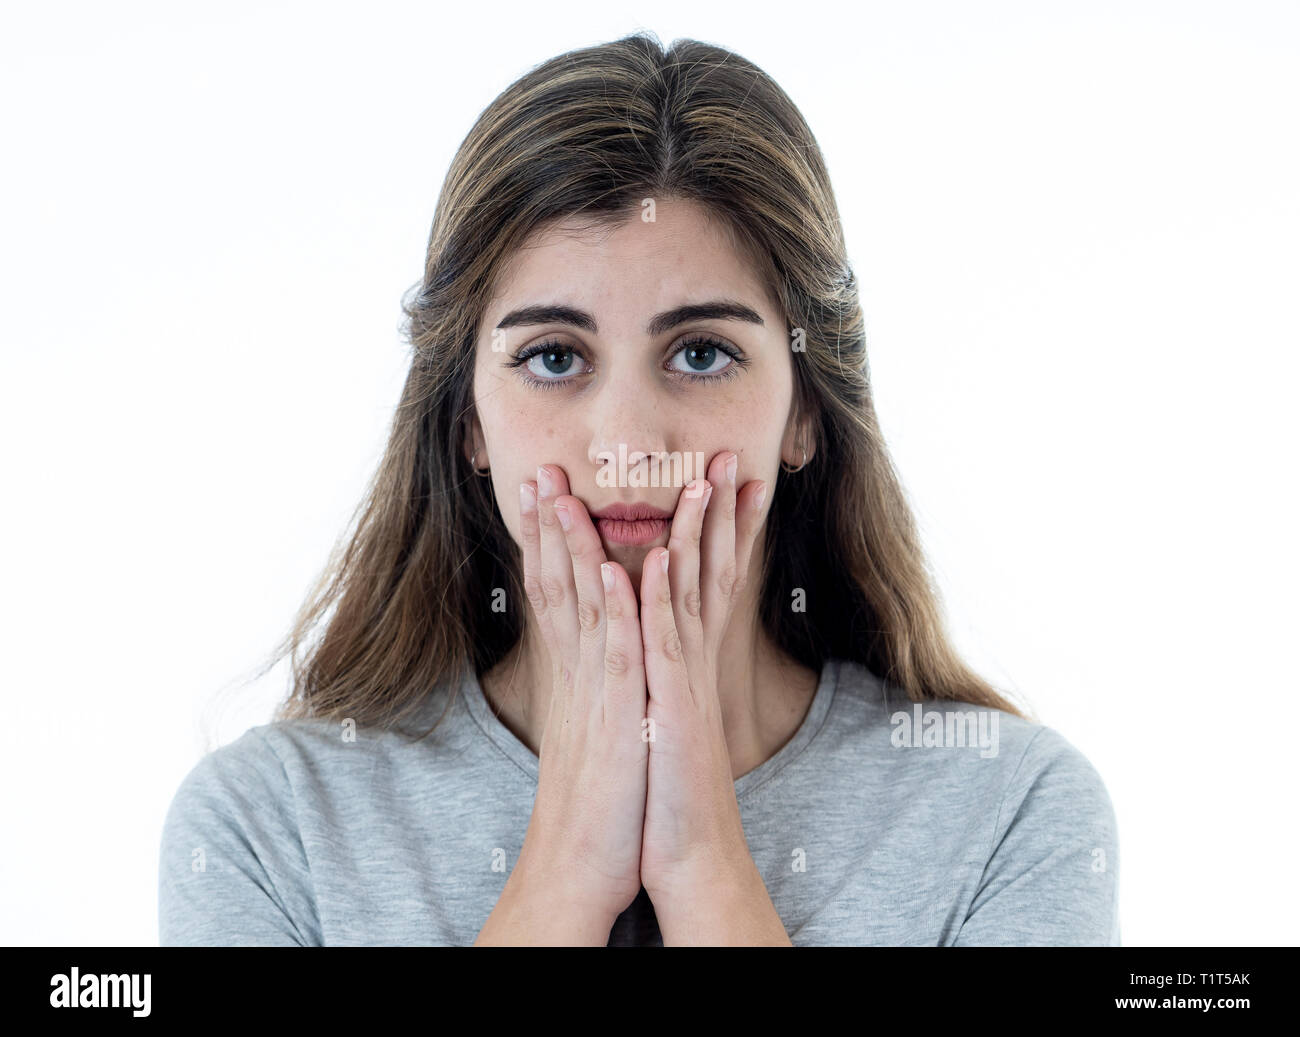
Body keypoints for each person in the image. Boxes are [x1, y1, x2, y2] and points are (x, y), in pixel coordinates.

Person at [158, 31, 1119, 946]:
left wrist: (704, 861)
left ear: (804, 414)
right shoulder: (267, 829)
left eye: (701, 353)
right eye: (551, 356)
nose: (625, 444)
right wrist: (569, 863)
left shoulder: (1011, 815)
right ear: (465, 422)